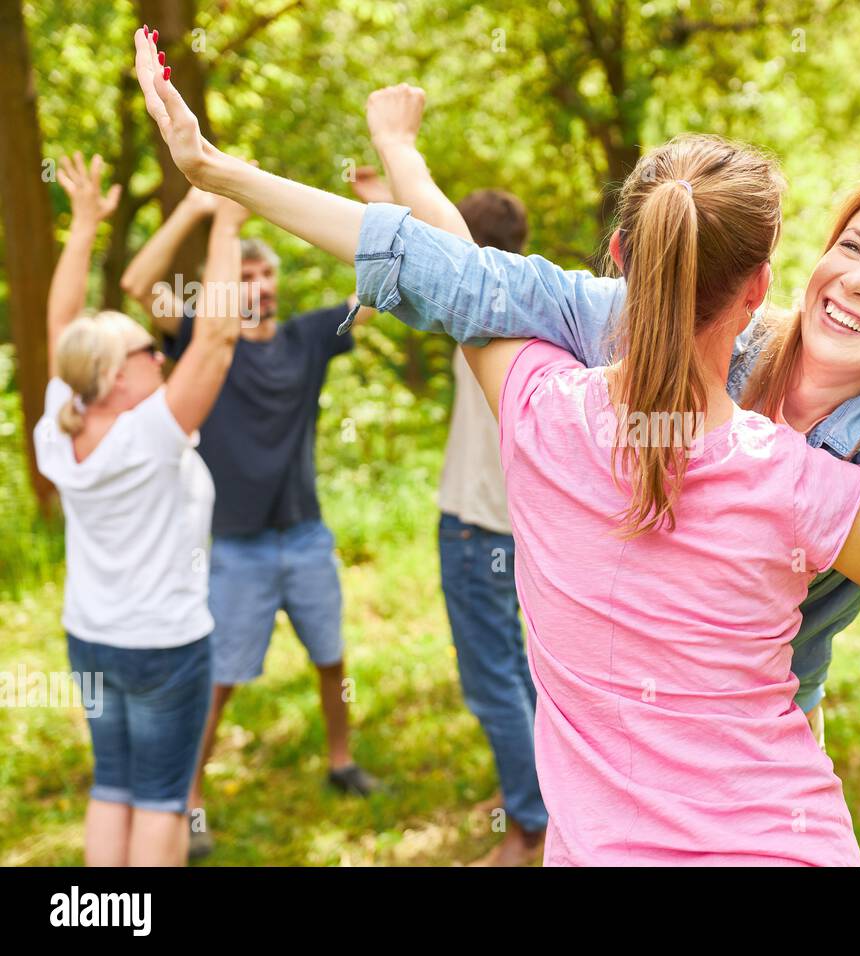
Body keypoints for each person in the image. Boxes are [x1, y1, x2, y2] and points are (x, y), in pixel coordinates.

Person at [133, 31, 860, 857]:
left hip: (744, 739)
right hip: (628, 765)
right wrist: (225, 171)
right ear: (788, 269)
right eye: (856, 245)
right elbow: (471, 281)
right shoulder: (686, 335)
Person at [120, 188, 380, 864]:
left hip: (305, 535)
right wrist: (199, 210)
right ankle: (191, 799)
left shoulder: (305, 339)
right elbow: (136, 284)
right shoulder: (207, 347)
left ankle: (341, 760)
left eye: (266, 275)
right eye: (244, 275)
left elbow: (378, 289)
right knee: (220, 679)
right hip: (236, 548)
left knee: (331, 659)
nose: (258, 286)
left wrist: (378, 208)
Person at [34, 151, 244, 866]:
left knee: (113, 786)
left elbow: (61, 319)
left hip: (90, 636)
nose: (160, 354)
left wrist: (86, 222)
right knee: (160, 796)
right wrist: (228, 220)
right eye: (146, 351)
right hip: (163, 647)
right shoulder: (149, 434)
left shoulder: (61, 417)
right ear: (118, 380)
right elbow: (216, 339)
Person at [357, 86, 545, 866]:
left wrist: (398, 168)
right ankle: (532, 795)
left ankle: (532, 825)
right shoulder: (543, 307)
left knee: (493, 680)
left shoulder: (476, 307)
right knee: (523, 673)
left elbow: (440, 255)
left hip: (473, 529)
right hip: (521, 533)